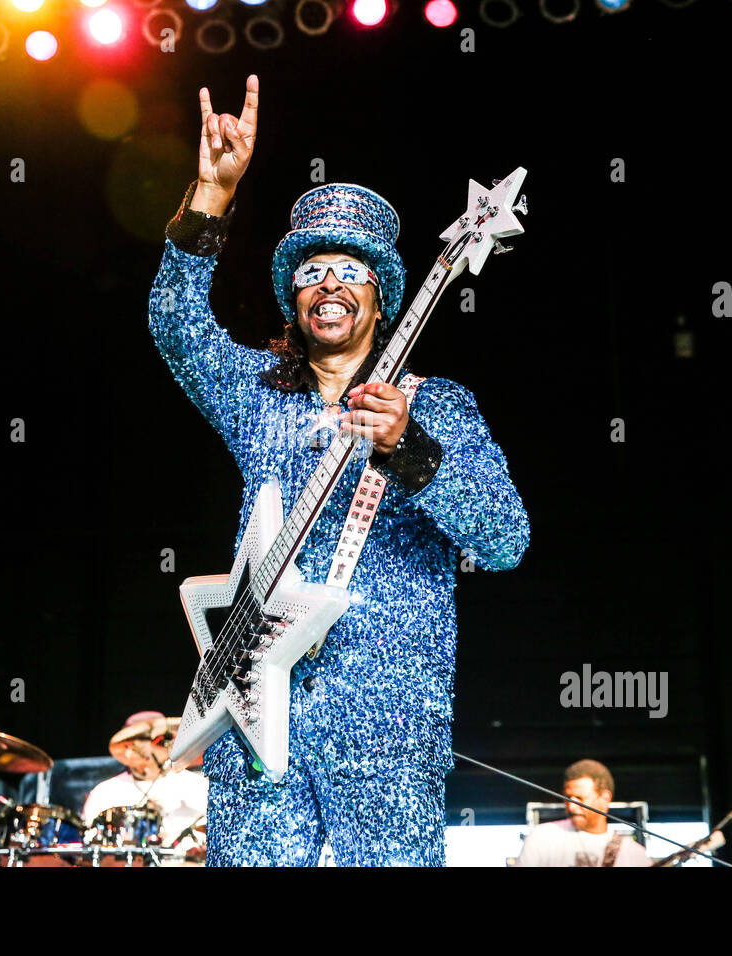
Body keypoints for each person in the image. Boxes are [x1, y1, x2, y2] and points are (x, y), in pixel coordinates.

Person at [148, 75, 530, 866]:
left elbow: (504, 539)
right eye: (311, 269)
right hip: (257, 700)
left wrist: (411, 450)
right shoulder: (256, 397)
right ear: (292, 294)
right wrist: (213, 195)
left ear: (382, 297)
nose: (329, 283)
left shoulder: (439, 405)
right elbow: (175, 323)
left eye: (350, 271)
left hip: (385, 719)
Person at [81, 711, 208, 860]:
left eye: (164, 740)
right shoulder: (104, 792)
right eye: (159, 741)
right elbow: (88, 845)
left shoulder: (197, 785)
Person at [514, 759, 653, 867]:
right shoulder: (542, 837)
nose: (572, 807)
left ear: (605, 798)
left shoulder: (633, 853)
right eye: (567, 798)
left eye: (580, 799)